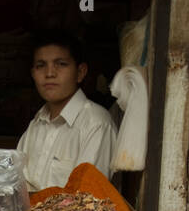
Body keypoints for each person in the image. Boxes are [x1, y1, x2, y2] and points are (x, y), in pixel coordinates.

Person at [16, 29, 117, 191]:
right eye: (41, 66)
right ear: (33, 73)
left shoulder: (96, 124)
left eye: (61, 64)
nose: (49, 73)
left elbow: (86, 202)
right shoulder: (36, 123)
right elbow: (19, 183)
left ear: (80, 72)